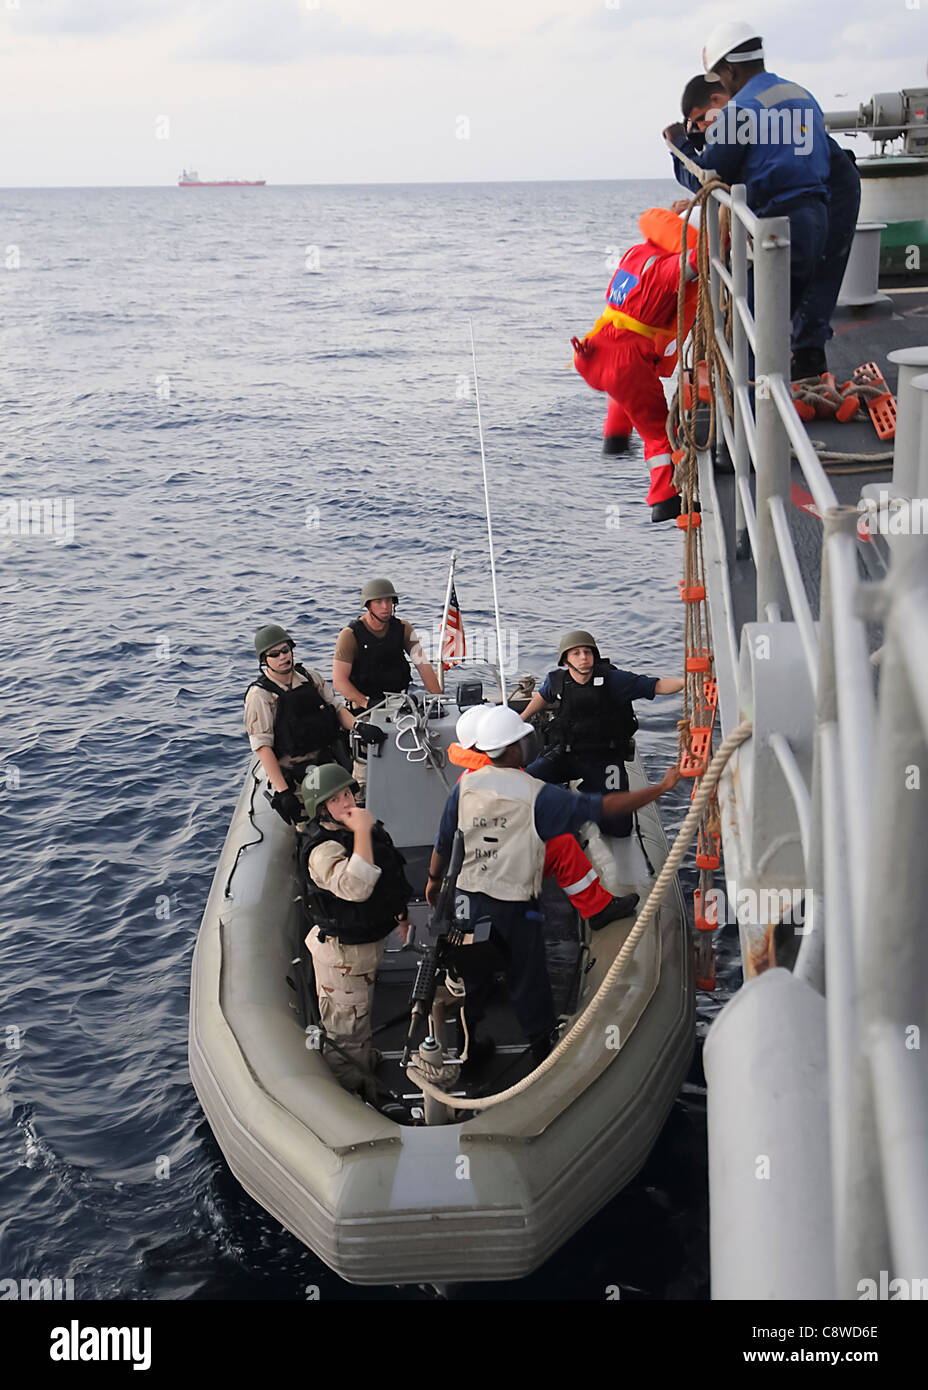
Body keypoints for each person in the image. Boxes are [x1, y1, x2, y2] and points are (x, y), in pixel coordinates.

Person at [428, 706, 680, 1064]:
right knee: (528, 978)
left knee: (477, 979)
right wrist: (661, 788)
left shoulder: (464, 786)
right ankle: (541, 1054)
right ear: (515, 749)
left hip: (470, 901)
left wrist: (433, 883)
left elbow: (444, 842)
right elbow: (606, 806)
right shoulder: (537, 795)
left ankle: (469, 1053)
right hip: (515, 903)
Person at [677, 69, 861, 381]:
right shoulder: (763, 116)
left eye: (701, 119)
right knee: (773, 303)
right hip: (818, 199)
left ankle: (767, 392)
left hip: (826, 199)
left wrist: (680, 146)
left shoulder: (742, 115)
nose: (704, 130)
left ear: (716, 100)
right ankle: (800, 362)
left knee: (771, 307)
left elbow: (707, 174)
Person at [663, 22, 831, 326]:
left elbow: (708, 176)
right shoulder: (802, 95)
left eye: (719, 76)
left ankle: (759, 375)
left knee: (756, 328)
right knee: (791, 317)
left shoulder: (741, 108)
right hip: (818, 219)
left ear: (729, 70)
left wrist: (679, 146)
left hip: (776, 226)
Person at [448, 705, 639, 932]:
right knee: (563, 846)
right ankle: (598, 909)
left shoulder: (470, 777)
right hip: (501, 865)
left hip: (485, 860)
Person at [573, 207, 700, 522]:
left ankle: (615, 433)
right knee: (658, 430)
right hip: (624, 358)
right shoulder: (667, 267)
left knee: (624, 388)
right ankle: (664, 499)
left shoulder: (637, 253)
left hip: (596, 349)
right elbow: (699, 262)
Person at [300, 762, 412, 1100]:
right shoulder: (323, 850)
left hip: (363, 948)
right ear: (322, 810)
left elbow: (388, 873)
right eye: (336, 800)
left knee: (359, 1017)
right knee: (346, 1030)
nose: (347, 802)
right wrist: (361, 831)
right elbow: (355, 887)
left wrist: (400, 913)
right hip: (342, 957)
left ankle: (365, 1062)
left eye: (348, 793)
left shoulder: (356, 832)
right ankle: (352, 1094)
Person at [520, 630, 684, 839]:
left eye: (587, 652)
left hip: (605, 758)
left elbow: (657, 685)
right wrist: (522, 717)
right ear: (565, 660)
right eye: (576, 653)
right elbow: (543, 696)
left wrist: (685, 682)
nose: (583, 657)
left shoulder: (615, 680)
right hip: (567, 754)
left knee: (619, 828)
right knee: (526, 780)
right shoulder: (557, 680)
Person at [244, 623, 384, 826]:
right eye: (274, 654)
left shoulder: (311, 679)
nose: (283, 657)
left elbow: (335, 708)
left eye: (285, 650)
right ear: (265, 660)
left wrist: (358, 726)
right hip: (298, 777)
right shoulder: (261, 696)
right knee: (313, 829)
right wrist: (283, 792)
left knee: (351, 819)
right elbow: (262, 746)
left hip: (329, 763)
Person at [333, 578, 441, 712]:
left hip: (399, 700)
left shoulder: (403, 628)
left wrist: (438, 699)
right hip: (364, 704)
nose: (385, 606)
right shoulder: (350, 635)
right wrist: (367, 703)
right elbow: (339, 680)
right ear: (368, 605)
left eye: (388, 601)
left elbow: (423, 666)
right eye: (379, 602)